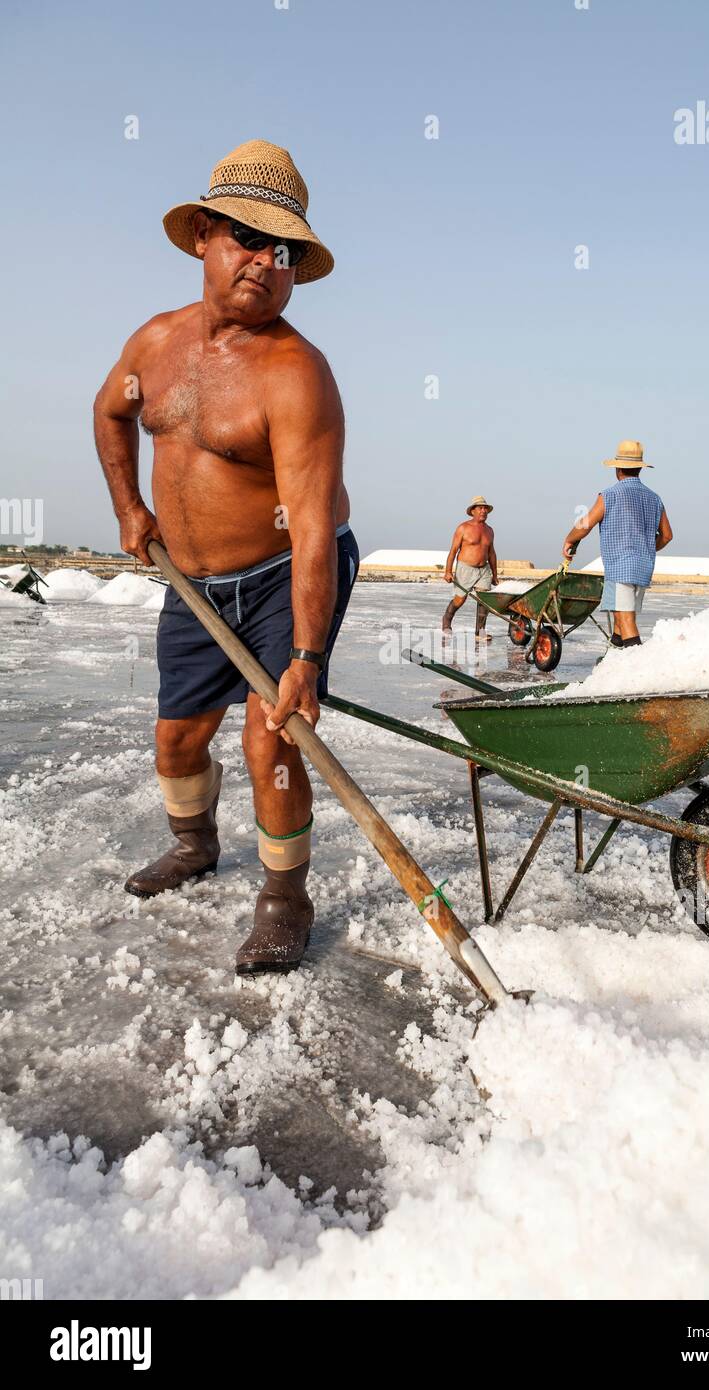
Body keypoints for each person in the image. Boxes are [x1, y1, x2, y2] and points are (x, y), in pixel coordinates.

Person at [93, 139, 359, 975]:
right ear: (204, 236)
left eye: (279, 251)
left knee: (269, 740)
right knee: (176, 739)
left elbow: (312, 529)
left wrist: (307, 660)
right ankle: (195, 844)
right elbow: (109, 415)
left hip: (287, 575)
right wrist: (130, 508)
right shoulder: (154, 344)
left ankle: (285, 897)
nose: (261, 262)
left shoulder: (296, 375)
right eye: (244, 238)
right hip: (194, 584)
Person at [561, 440, 672, 646]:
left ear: (618, 468)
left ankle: (638, 667)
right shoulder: (654, 498)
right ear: (639, 468)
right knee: (621, 619)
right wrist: (645, 549)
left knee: (626, 620)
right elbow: (666, 536)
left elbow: (585, 524)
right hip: (643, 567)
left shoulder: (610, 495)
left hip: (620, 566)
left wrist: (569, 539)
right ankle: (613, 661)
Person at [442, 497, 498, 642]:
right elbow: (453, 551)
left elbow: (491, 553)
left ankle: (480, 632)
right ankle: (446, 621)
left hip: (484, 570)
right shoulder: (463, 528)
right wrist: (448, 571)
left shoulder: (489, 531)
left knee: (484, 601)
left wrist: (495, 575)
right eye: (480, 508)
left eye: (485, 508)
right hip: (465, 568)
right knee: (460, 599)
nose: (483, 511)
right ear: (472, 511)